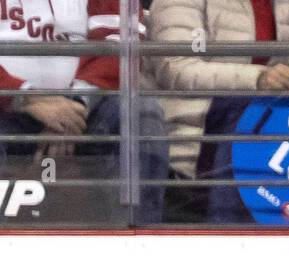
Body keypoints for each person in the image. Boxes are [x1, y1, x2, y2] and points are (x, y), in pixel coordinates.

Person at [0, 0, 167, 223]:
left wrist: (76, 106)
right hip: (6, 110)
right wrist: (24, 96)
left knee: (140, 113)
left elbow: (119, 40)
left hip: (85, 108)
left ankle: (139, 238)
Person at [148, 0, 289, 184]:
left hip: (273, 137)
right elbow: (177, 68)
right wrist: (258, 79)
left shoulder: (288, 4)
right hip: (199, 137)